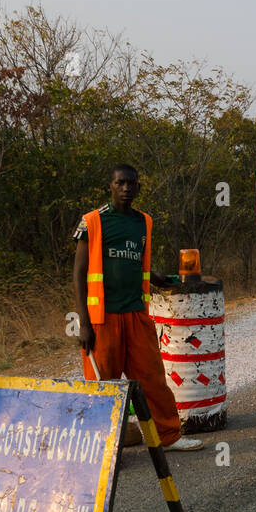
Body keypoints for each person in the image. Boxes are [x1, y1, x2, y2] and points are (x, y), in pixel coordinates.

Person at [73, 164, 203, 451]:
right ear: (110, 185)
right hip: (102, 319)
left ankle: (169, 437)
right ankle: (101, 449)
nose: (126, 188)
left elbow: (136, 262)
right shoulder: (93, 221)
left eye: (131, 183)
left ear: (138, 187)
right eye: (120, 183)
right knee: (102, 386)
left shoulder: (144, 221)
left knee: (152, 378)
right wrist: (83, 323)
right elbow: (79, 274)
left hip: (136, 315)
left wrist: (159, 278)